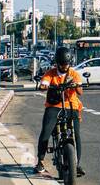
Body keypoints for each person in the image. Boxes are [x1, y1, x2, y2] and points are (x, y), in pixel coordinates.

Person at [34, 46, 85, 178]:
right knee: (45, 132)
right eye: (62, 65)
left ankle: (77, 164)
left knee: (76, 134)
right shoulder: (50, 73)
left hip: (71, 107)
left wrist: (76, 85)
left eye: (66, 65)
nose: (64, 67)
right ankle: (40, 161)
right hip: (54, 106)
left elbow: (80, 92)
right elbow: (43, 84)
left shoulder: (73, 73)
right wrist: (44, 85)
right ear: (57, 63)